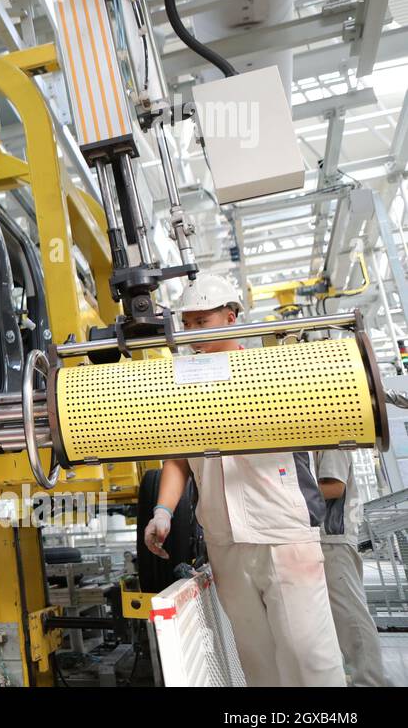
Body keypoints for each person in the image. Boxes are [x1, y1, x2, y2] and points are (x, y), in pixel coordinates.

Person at [144, 274, 346, 687]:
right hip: (224, 540)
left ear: (232, 317)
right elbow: (178, 460)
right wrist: (162, 512)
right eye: (188, 324)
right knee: (257, 660)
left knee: (310, 657)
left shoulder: (270, 371)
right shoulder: (183, 383)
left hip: (283, 532)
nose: (193, 333)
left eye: (204, 322)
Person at [312, 451, 388, 686]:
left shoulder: (332, 434)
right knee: (339, 617)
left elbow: (335, 487)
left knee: (351, 617)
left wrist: (285, 492)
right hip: (322, 538)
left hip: (334, 537)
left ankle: (369, 681)